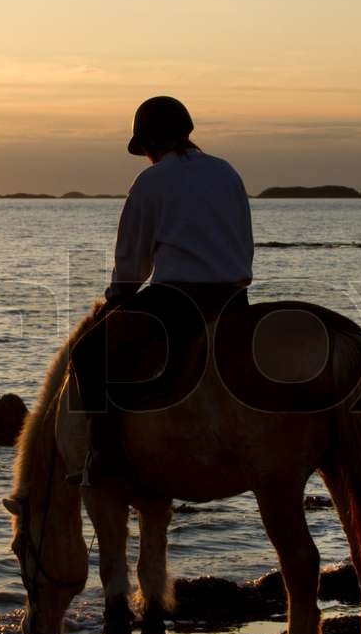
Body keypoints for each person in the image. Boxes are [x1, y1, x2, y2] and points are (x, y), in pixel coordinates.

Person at [70, 95, 254, 486]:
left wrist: (117, 299)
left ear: (150, 145)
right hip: (236, 301)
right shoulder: (227, 172)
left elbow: (132, 263)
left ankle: (105, 459)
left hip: (177, 302)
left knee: (87, 354)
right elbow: (244, 243)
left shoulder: (152, 181)